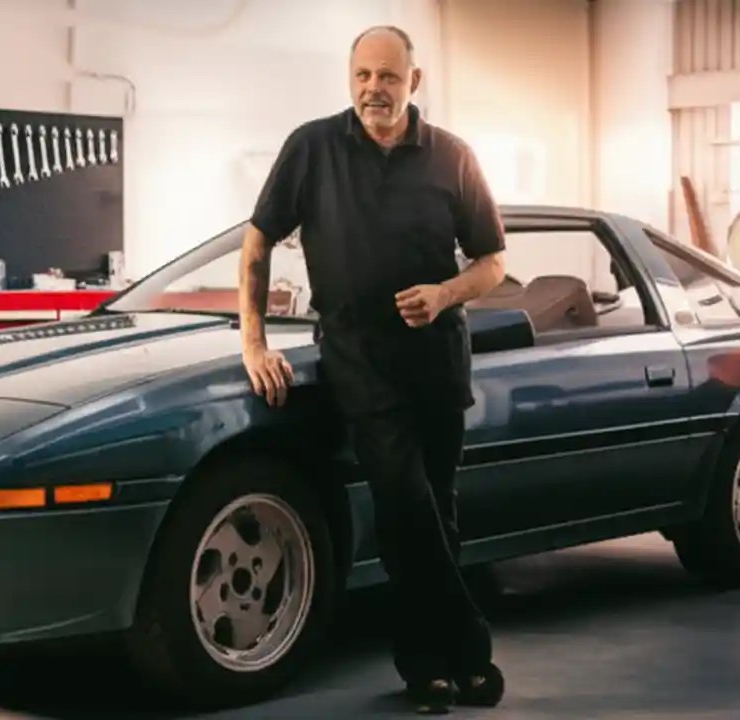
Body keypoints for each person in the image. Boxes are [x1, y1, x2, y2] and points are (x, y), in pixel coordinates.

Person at [236, 24, 508, 715]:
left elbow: (492, 264)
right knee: (405, 501)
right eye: (361, 75)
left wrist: (444, 294)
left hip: (438, 361)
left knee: (434, 513)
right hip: (359, 359)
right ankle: (471, 649)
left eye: (387, 77)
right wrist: (254, 342)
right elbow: (257, 243)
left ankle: (428, 670)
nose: (372, 90)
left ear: (414, 82)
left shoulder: (452, 156)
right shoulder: (313, 147)